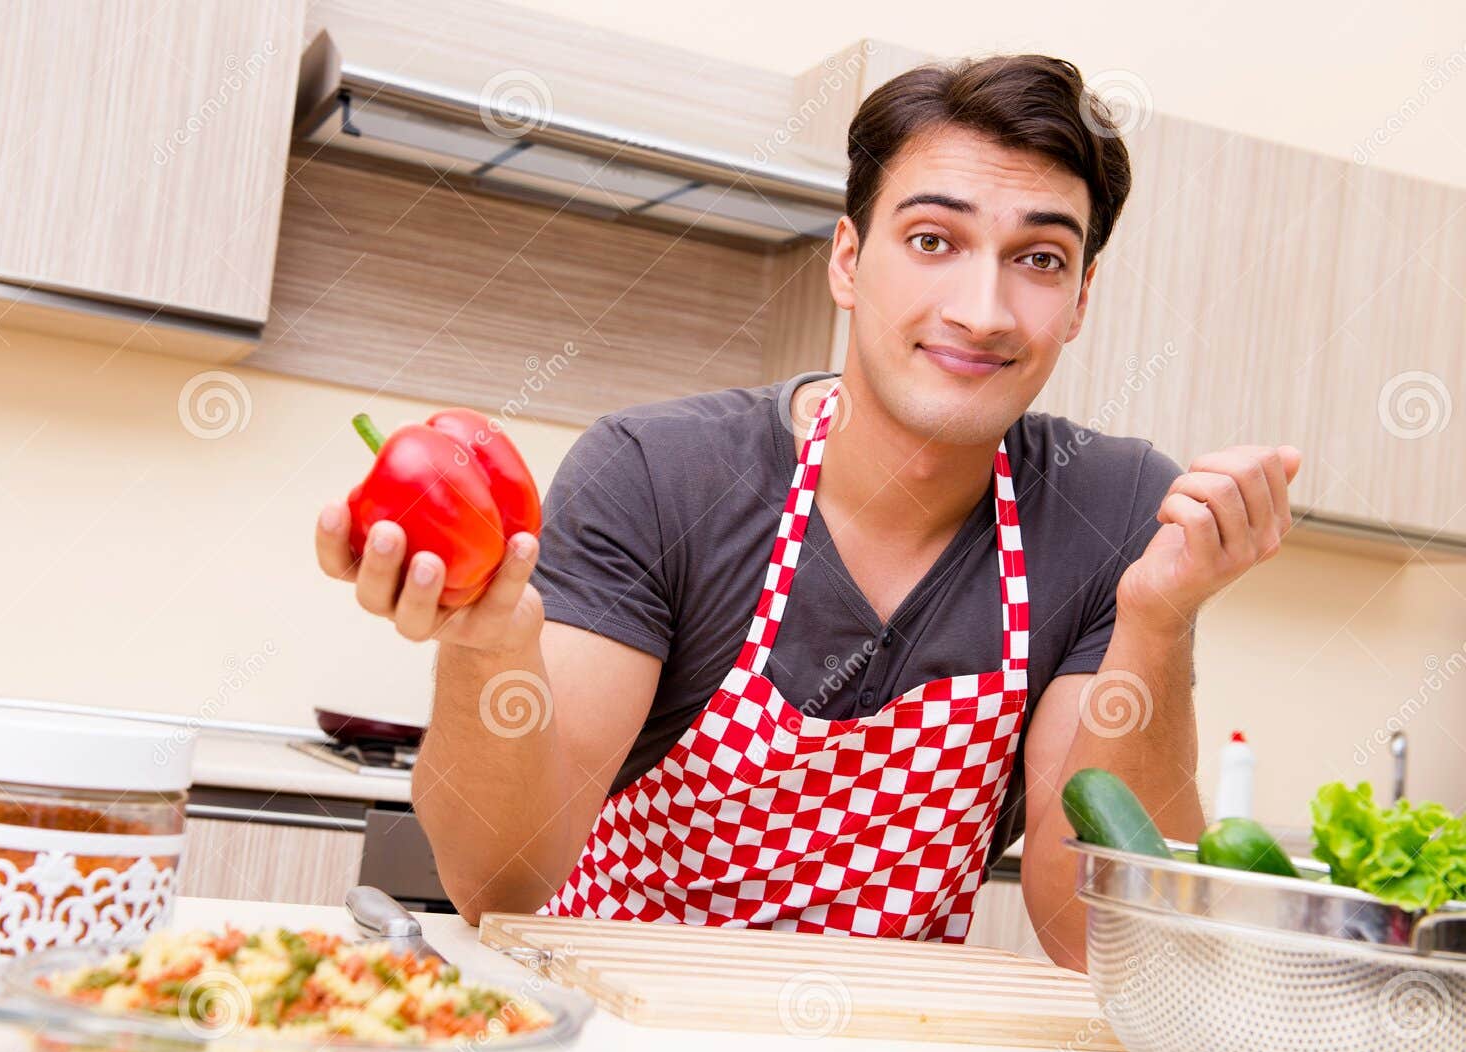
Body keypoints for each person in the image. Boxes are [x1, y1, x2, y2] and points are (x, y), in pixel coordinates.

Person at [314, 54, 1298, 971]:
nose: (984, 309)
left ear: (1079, 301)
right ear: (846, 261)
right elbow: (502, 881)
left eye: (1038, 259)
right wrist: (489, 651)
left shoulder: (1109, 507)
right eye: (930, 240)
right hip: (612, 1046)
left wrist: (1158, 622)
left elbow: (1094, 936)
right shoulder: (662, 475)